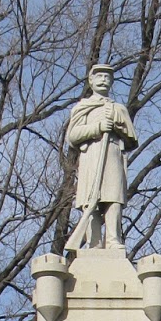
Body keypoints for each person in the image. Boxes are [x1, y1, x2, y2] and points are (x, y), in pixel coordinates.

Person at [65, 62, 138, 252]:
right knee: (90, 201)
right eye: (99, 76)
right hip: (91, 157)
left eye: (107, 77)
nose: (104, 80)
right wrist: (97, 127)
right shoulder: (83, 107)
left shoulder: (118, 108)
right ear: (91, 80)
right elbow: (72, 136)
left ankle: (113, 239)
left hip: (112, 154)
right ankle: (94, 242)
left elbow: (132, 139)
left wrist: (116, 126)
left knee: (113, 197)